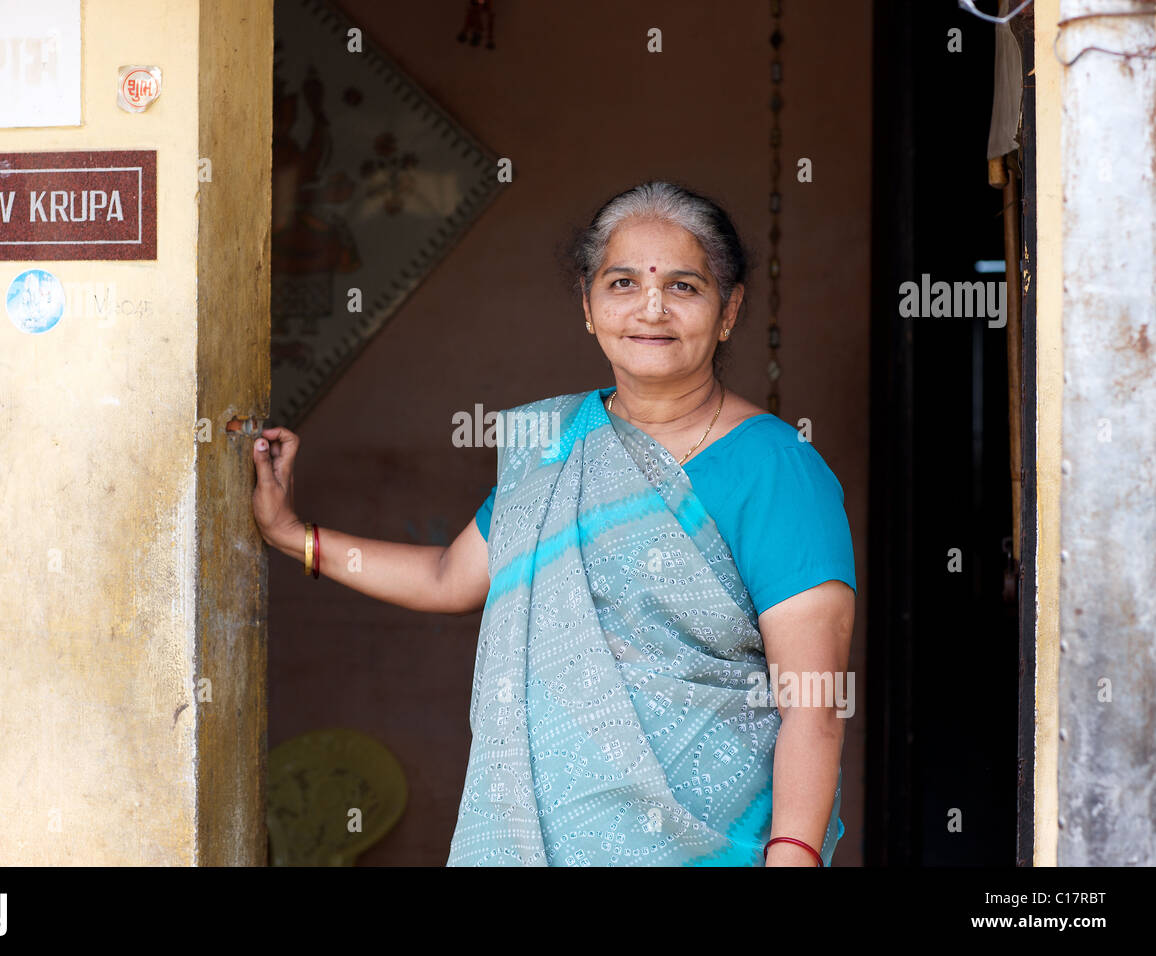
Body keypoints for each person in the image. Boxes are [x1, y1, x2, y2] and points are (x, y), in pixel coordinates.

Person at [251, 180, 856, 867]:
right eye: (622, 282)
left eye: (685, 287)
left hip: (715, 843)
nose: (650, 308)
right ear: (588, 304)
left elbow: (812, 701)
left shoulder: (776, 467)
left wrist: (794, 856)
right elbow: (450, 577)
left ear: (729, 309)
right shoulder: (554, 444)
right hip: (538, 841)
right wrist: (292, 535)